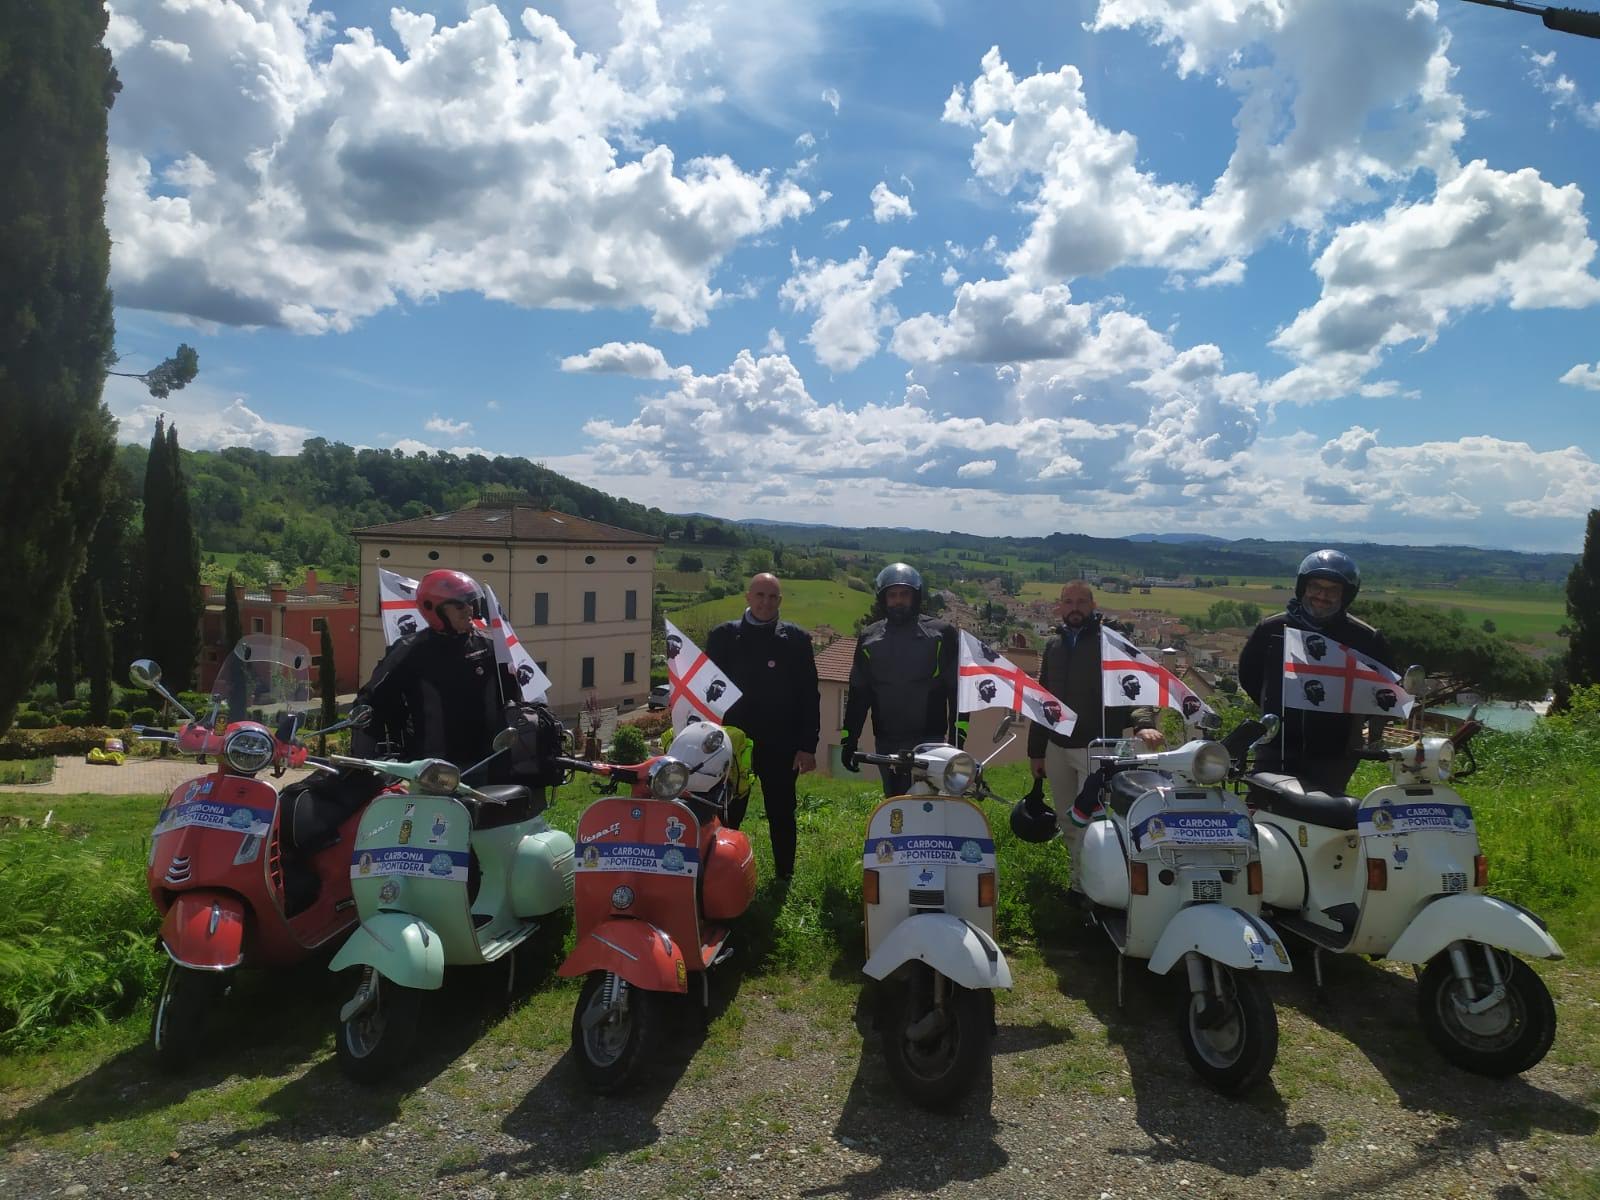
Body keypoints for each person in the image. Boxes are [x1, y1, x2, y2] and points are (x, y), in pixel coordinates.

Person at [1026, 582, 1162, 884]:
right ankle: (1079, 882)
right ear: (1060, 606)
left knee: (1095, 819)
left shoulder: (1111, 642)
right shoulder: (1054, 646)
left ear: (1093, 604)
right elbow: (1042, 698)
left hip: (1096, 747)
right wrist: (1036, 750)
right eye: (1068, 602)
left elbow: (1134, 686)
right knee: (1067, 819)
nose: (1075, 608)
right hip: (1057, 746)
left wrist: (1144, 723)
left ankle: (1102, 883)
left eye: (1081, 602)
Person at [1239, 549, 1392, 795]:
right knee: (1265, 809)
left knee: (1324, 819)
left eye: (1332, 590)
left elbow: (1383, 691)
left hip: (1334, 752)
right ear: (1303, 588)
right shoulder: (1272, 629)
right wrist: (1277, 704)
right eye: (1315, 587)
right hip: (1276, 745)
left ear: (1346, 594)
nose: (1322, 595)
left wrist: (1346, 719)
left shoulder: (1366, 638)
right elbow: (1250, 676)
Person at [705, 573, 821, 880]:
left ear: (780, 601)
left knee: (781, 812)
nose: (765, 603)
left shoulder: (796, 640)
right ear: (747, 597)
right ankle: (720, 873)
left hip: (780, 741)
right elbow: (705, 690)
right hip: (733, 742)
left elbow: (810, 695)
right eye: (760, 595)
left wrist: (808, 745)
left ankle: (784, 876)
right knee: (728, 812)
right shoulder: (722, 636)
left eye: (772, 597)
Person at [353, 568, 521, 778]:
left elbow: (514, 698)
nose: (469, 610)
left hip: (490, 764)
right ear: (434, 609)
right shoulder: (410, 652)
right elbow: (370, 704)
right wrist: (367, 762)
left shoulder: (490, 646)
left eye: (470, 603)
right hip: (434, 772)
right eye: (459, 605)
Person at [840, 563, 959, 795]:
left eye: (904, 594)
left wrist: (957, 740)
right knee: (895, 807)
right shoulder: (868, 638)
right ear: (883, 599)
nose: (898, 601)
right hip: (887, 741)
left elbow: (957, 692)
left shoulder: (942, 634)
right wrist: (849, 740)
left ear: (916, 596)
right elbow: (858, 696)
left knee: (930, 803)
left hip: (931, 740)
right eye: (892, 595)